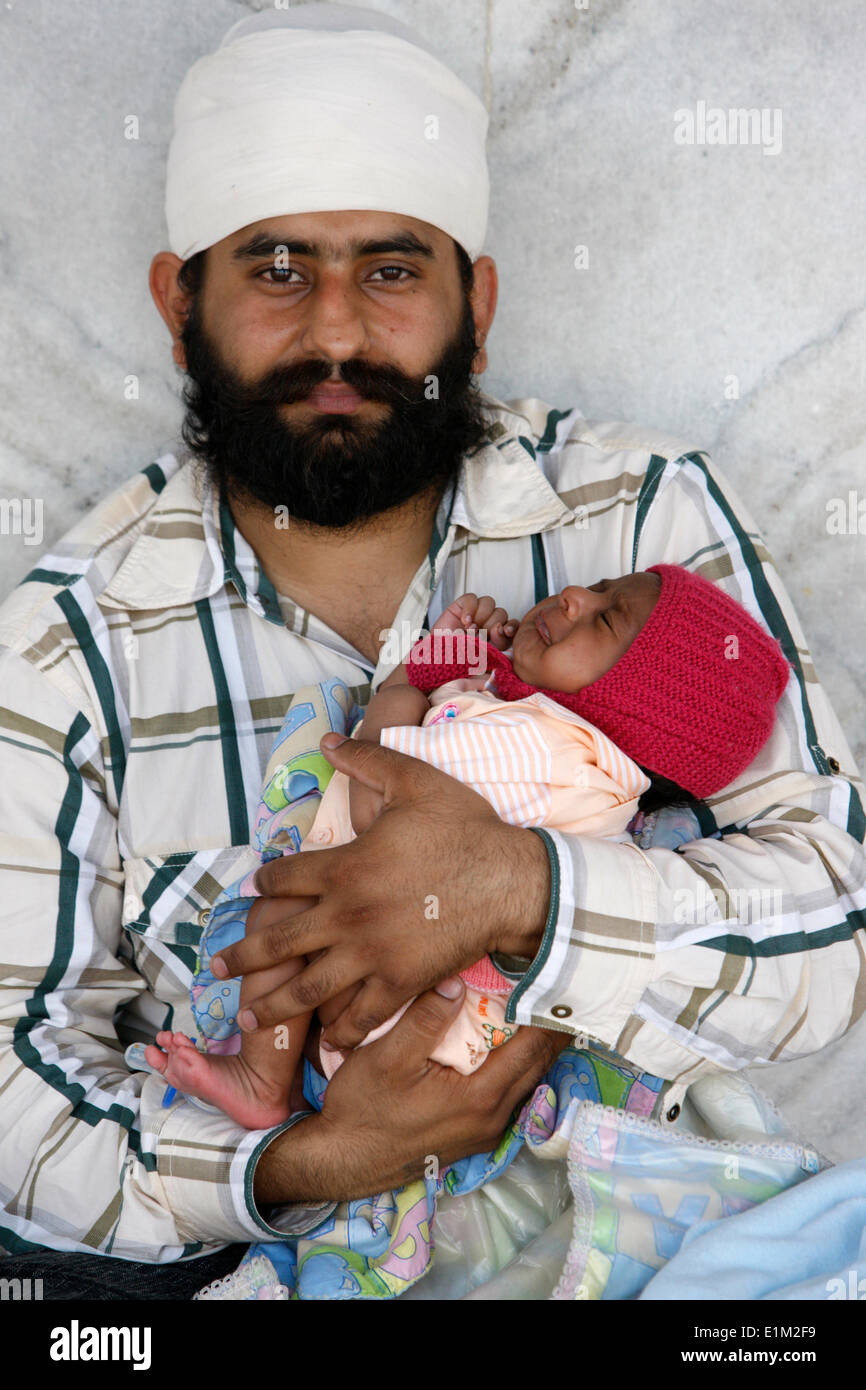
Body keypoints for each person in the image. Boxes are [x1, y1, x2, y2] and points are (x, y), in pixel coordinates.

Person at [0, 4, 863, 1298]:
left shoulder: (639, 524)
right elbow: (16, 1085)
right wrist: (304, 1159)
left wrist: (519, 888)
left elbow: (836, 921)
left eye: (393, 269)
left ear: (480, 300)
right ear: (181, 302)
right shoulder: (68, 646)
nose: (337, 330)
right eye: (277, 267)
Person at [144, 563, 791, 1132]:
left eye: (605, 619)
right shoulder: (590, 774)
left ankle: (265, 1080)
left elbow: (378, 793)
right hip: (451, 1022)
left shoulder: (538, 742)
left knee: (278, 918)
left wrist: (421, 672)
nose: (570, 595)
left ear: (644, 705)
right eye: (595, 588)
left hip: (401, 991)